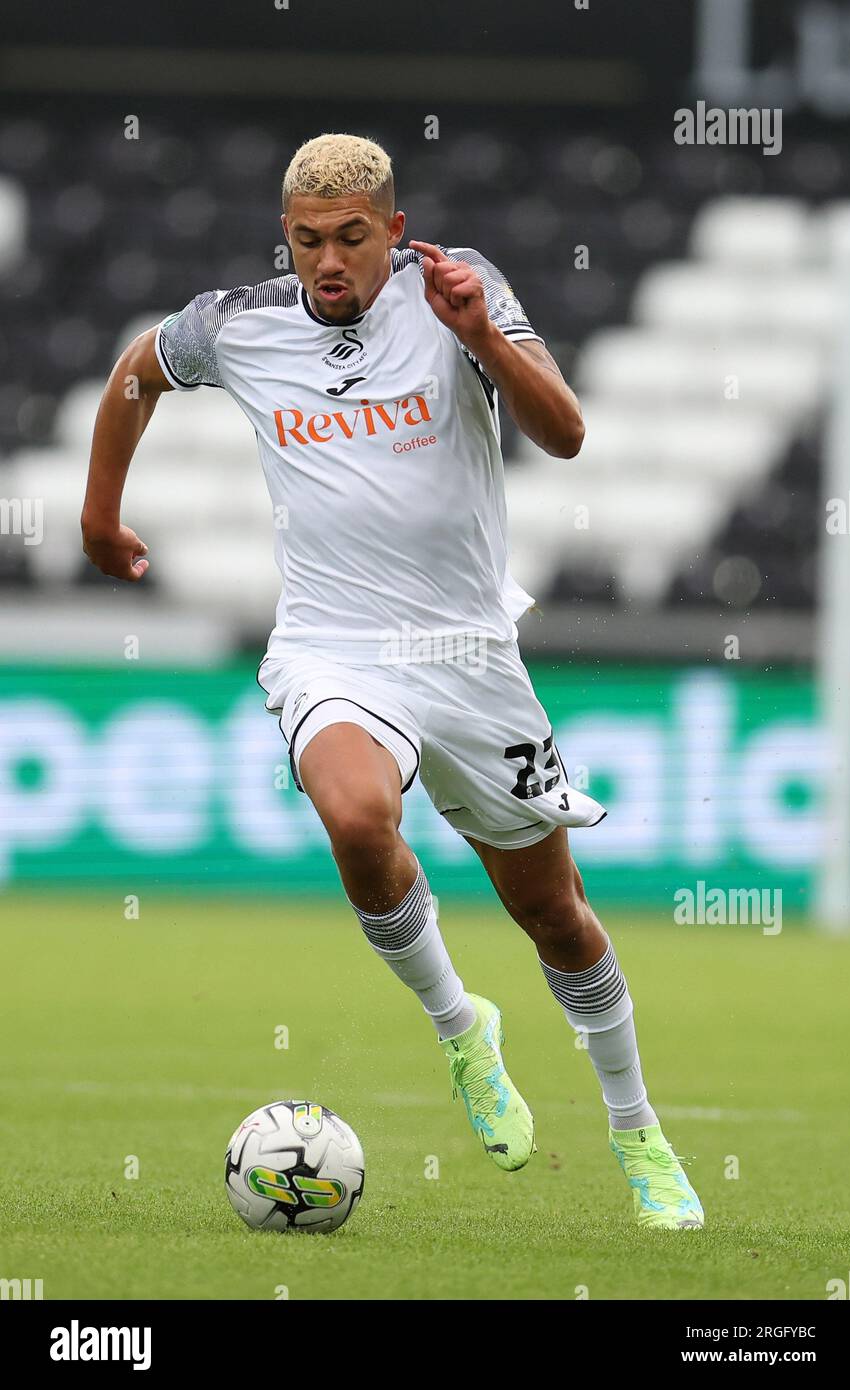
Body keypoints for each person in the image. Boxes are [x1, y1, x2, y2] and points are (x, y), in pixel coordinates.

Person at [81, 131, 703, 1230]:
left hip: (468, 655)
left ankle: (635, 1129)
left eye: (351, 239)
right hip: (333, 646)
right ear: (287, 235)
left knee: (553, 914)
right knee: (359, 820)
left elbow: (561, 431)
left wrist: (481, 337)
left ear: (394, 233)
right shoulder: (238, 323)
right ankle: (462, 1028)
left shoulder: (459, 291)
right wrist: (97, 512)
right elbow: (137, 371)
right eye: (308, 239)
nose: (328, 259)